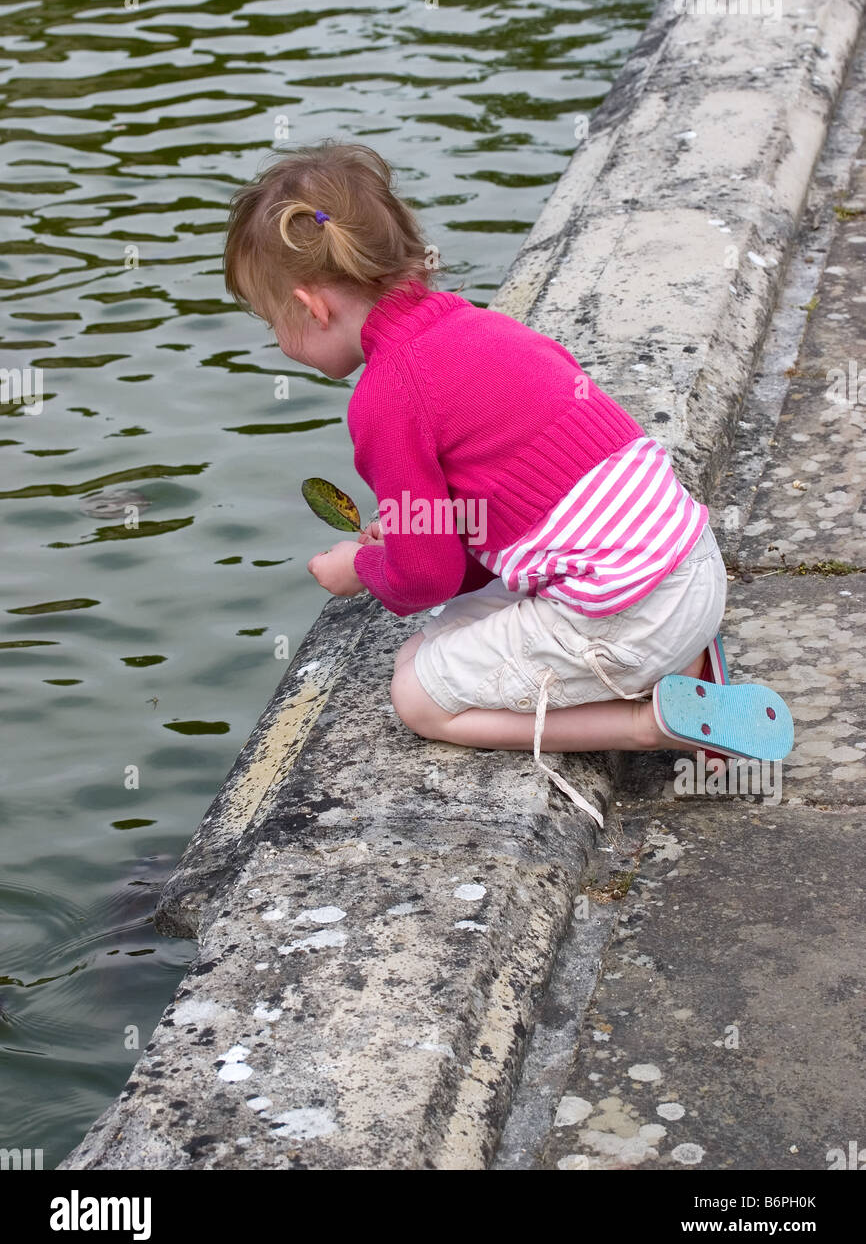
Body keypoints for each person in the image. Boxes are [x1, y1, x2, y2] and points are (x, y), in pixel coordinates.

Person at [224, 140, 793, 827]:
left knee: (418, 696)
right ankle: (692, 661)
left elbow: (425, 578)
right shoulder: (481, 328)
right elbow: (495, 525)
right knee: (434, 645)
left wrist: (364, 567)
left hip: (631, 613)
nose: (279, 342)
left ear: (310, 307)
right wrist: (411, 535)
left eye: (271, 323)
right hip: (688, 564)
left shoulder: (386, 395)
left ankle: (654, 725)